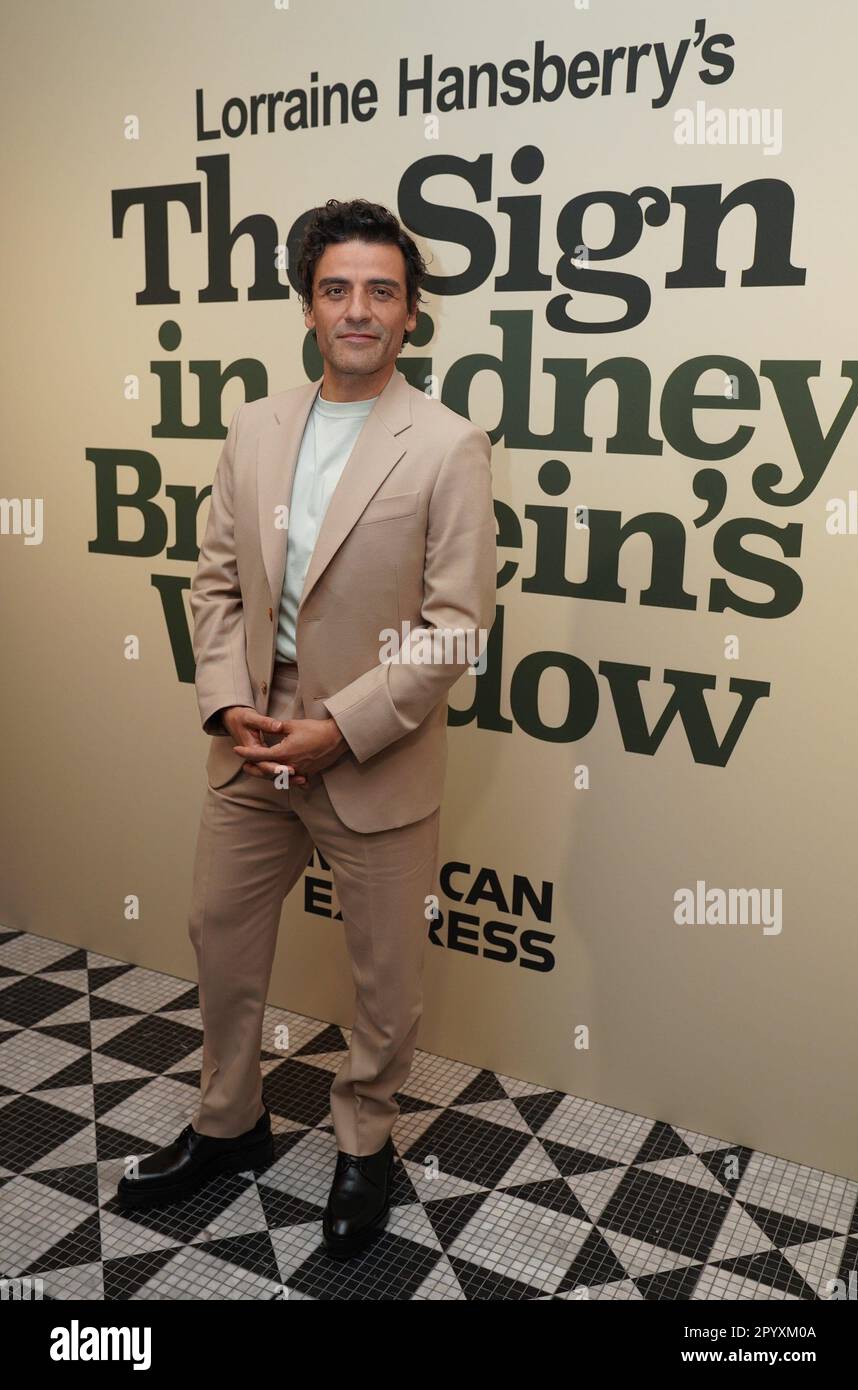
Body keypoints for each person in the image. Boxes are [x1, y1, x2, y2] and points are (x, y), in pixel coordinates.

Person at [116, 198, 497, 1259]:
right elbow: (214, 584)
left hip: (369, 747)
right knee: (219, 934)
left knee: (384, 977)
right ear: (308, 306)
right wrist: (228, 698)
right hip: (250, 733)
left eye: (381, 291)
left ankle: (364, 1144)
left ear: (411, 315)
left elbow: (456, 625)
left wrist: (341, 724)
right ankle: (228, 1124)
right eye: (337, 289)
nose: (358, 309)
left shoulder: (449, 444)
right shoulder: (255, 425)